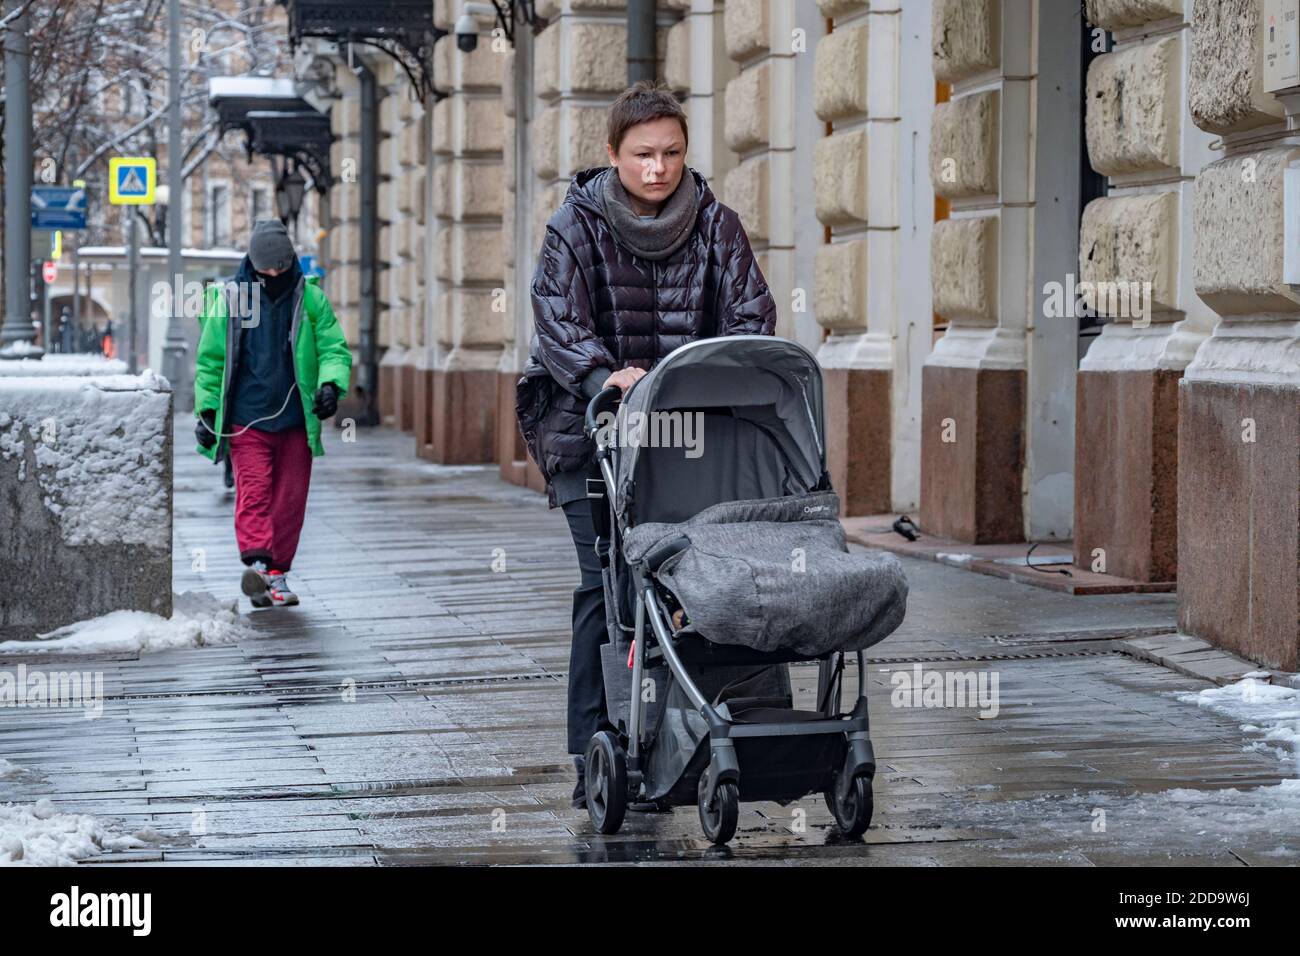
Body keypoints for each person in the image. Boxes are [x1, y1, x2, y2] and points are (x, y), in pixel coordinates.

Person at [516, 81, 777, 808]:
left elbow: (752, 312)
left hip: (687, 436)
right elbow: (557, 321)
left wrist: (706, 374)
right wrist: (607, 375)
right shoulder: (574, 226)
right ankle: (594, 744)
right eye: (642, 155)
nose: (658, 169)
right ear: (613, 154)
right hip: (588, 430)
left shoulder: (717, 225)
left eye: (671, 153)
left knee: (694, 585)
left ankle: (693, 728)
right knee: (606, 587)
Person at [193, 219, 351, 608]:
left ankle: (276, 574)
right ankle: (259, 564)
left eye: (281, 267)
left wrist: (330, 386)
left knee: (290, 498)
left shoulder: (309, 299)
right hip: (246, 418)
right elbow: (211, 362)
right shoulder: (231, 299)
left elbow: (334, 349)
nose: (275, 275)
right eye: (267, 268)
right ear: (253, 261)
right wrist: (208, 412)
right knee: (255, 491)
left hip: (297, 417)